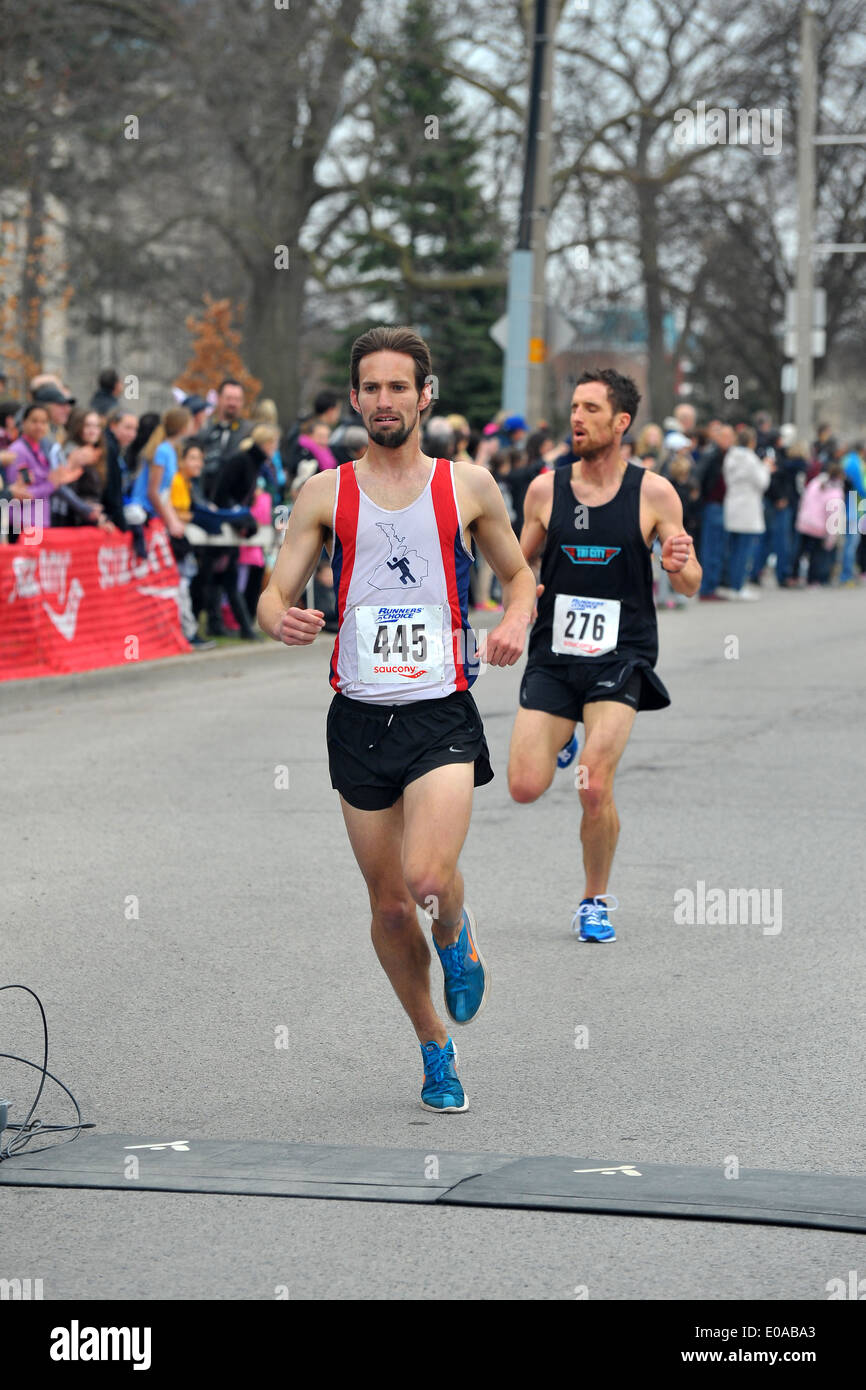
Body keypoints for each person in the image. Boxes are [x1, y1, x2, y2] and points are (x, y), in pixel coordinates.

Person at [257, 324, 535, 1114]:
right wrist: (280, 616)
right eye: (370, 388)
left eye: (398, 387)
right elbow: (274, 591)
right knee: (385, 906)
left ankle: (455, 930)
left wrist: (514, 621)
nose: (384, 400)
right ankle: (434, 1046)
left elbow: (519, 578)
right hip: (358, 719)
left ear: (425, 394)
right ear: (355, 397)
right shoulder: (325, 492)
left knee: (422, 879)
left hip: (440, 711)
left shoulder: (467, 486)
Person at [507, 368, 701, 942]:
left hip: (622, 656)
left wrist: (679, 564)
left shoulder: (654, 492)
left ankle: (594, 900)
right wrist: (516, 613)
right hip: (554, 655)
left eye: (591, 409)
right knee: (522, 786)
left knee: (592, 785)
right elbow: (520, 568)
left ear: (621, 422)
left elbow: (689, 578)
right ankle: (566, 735)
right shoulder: (546, 489)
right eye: (573, 407)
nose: (577, 419)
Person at [3, 403, 82, 533]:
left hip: (38, 523)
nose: (39, 426)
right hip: (22, 525)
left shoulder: (42, 450)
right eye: (34, 421)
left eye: (44, 422)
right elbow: (22, 493)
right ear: (23, 422)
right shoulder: (18, 451)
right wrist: (51, 484)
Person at [719, 425, 770, 600]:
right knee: (745, 550)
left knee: (733, 549)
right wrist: (766, 467)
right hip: (748, 508)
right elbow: (762, 482)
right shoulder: (751, 459)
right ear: (751, 441)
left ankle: (732, 583)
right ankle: (738, 586)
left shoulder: (730, 457)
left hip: (732, 504)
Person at [196, 379, 249, 498]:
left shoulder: (249, 432)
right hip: (203, 495)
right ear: (219, 398)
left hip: (235, 499)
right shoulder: (203, 429)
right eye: (229, 398)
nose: (233, 403)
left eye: (237, 399)